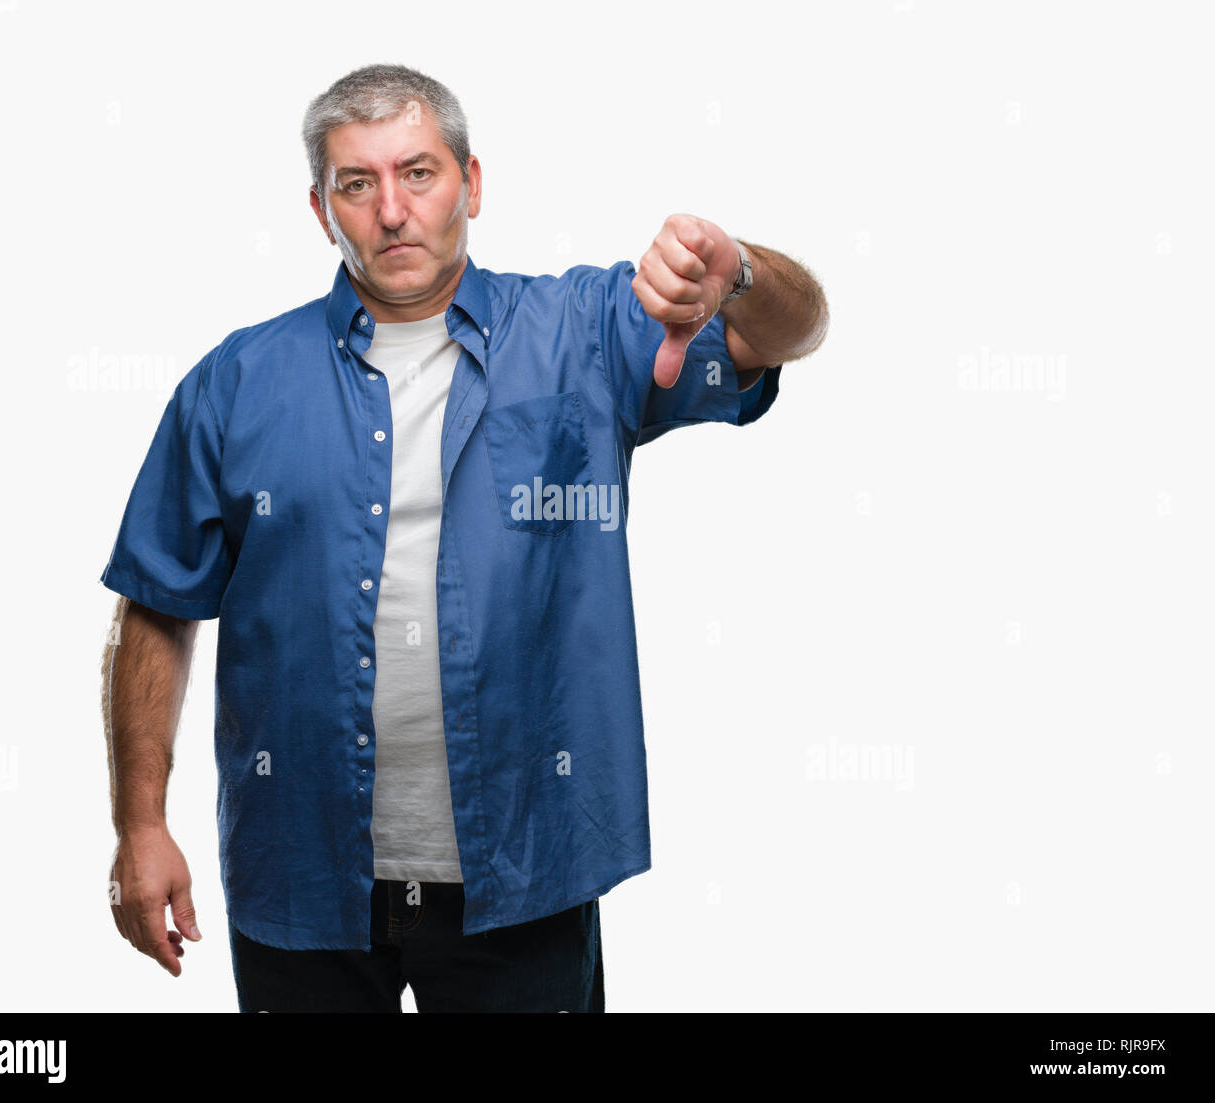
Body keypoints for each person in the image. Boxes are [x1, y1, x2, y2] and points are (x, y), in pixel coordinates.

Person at [100, 62, 828, 1013]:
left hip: (522, 874)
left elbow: (792, 332)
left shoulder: (590, 332)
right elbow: (155, 610)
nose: (392, 210)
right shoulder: (233, 384)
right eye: (356, 184)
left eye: (419, 173)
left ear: (472, 184)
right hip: (303, 880)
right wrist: (138, 824)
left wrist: (736, 272)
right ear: (322, 209)